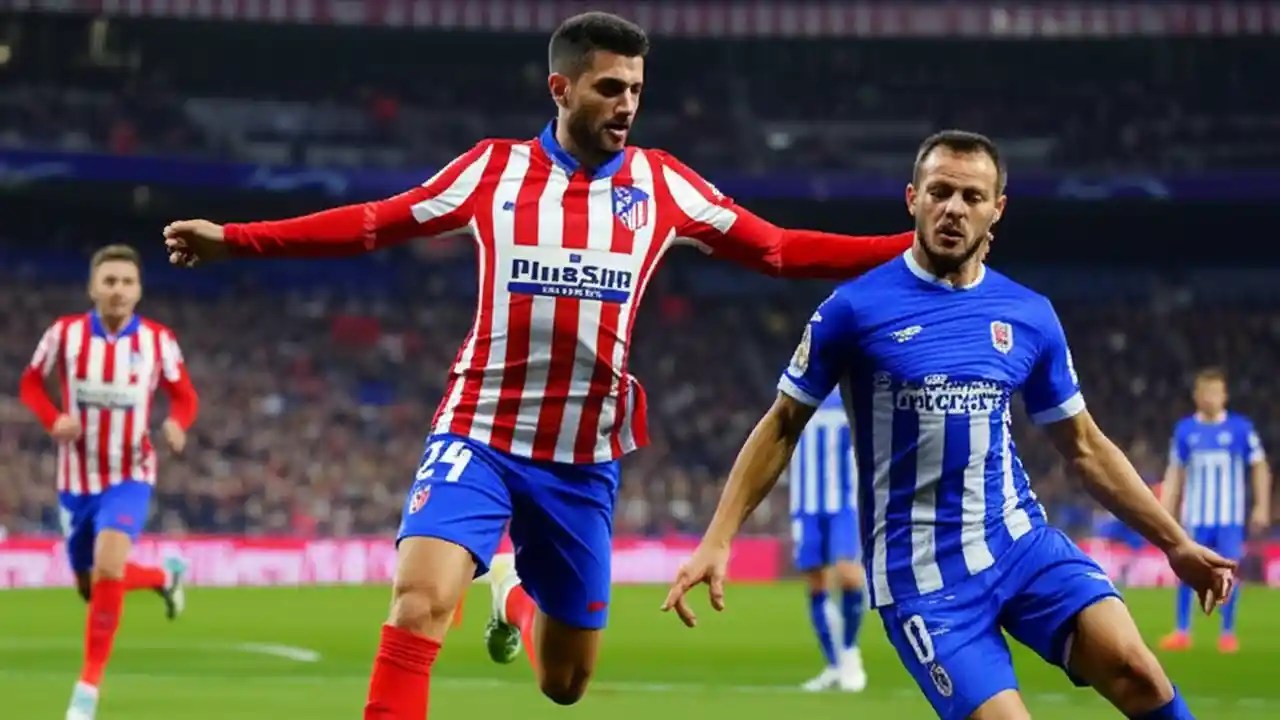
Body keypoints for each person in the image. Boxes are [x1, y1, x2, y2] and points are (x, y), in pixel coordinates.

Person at [159, 12, 916, 719]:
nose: (627, 105)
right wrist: (239, 237)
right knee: (420, 601)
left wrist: (908, 252)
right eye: (609, 88)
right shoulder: (492, 172)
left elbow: (779, 250)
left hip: (581, 461)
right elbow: (369, 224)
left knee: (565, 683)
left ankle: (513, 595)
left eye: (637, 91)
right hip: (479, 432)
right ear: (562, 88)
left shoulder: (664, 185)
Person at [662, 130, 1235, 720]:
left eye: (971, 196)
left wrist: (1176, 543)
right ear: (912, 198)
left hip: (1020, 542)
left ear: (997, 210)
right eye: (939, 192)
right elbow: (782, 425)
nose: (953, 209)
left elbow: (1084, 446)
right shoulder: (853, 310)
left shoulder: (1029, 315)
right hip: (922, 579)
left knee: (1138, 671)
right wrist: (719, 537)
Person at [19, 244, 196, 720]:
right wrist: (52, 418)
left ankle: (87, 689)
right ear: (93, 287)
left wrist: (178, 423)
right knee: (90, 584)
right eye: (110, 281)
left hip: (130, 474)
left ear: (139, 291)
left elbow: (184, 396)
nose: (118, 290)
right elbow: (30, 383)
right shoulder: (64, 335)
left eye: (127, 282)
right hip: (76, 480)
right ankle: (164, 576)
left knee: (108, 569)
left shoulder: (159, 341)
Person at [1158, 367, 1270, 653]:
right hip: (1195, 517)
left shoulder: (1240, 429)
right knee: (1186, 569)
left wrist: (1261, 506)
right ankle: (1182, 631)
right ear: (1197, 396)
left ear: (1225, 396)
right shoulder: (1186, 431)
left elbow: (1259, 466)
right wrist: (1164, 510)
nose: (1211, 398)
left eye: (1216, 393)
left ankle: (1227, 633)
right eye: (1206, 393)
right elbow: (1175, 472)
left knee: (1228, 573)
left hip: (1228, 519)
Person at [788, 391, 867, 692]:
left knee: (848, 575)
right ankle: (834, 665)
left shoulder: (850, 390)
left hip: (843, 502)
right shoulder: (797, 384)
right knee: (816, 583)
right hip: (805, 502)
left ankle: (850, 654)